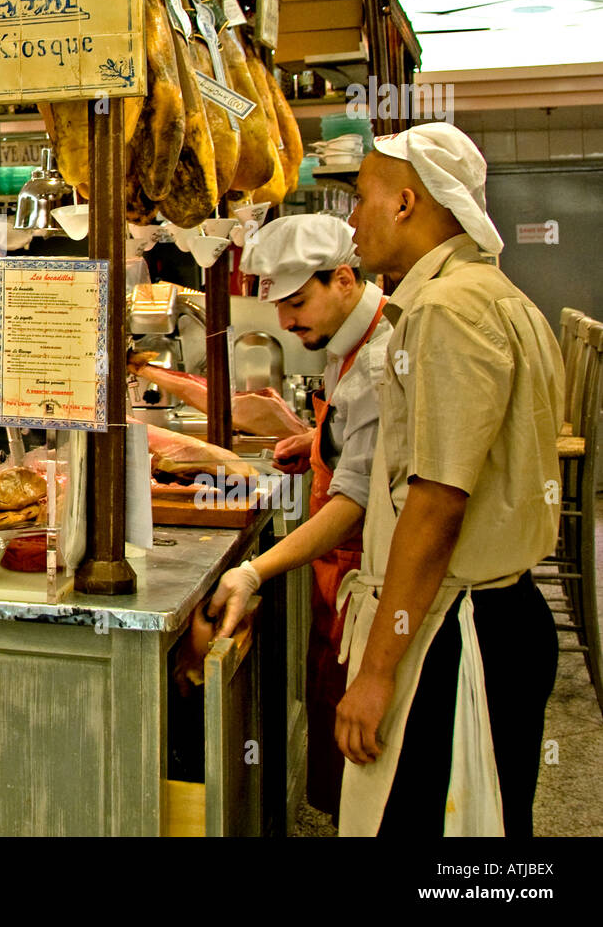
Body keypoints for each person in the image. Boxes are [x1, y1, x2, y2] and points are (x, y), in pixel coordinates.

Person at [336, 122, 562, 837]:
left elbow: (436, 504)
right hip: (493, 617)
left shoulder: (445, 311)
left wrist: (375, 675)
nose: (352, 219)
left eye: (363, 197)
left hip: (452, 630)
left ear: (406, 202)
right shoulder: (495, 295)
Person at [211, 214, 391, 823]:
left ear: (343, 278)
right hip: (336, 580)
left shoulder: (378, 354)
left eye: (296, 304)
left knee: (369, 761)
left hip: (370, 577)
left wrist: (254, 572)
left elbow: (356, 502)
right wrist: (318, 437)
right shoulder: (345, 343)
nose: (286, 324)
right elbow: (370, 442)